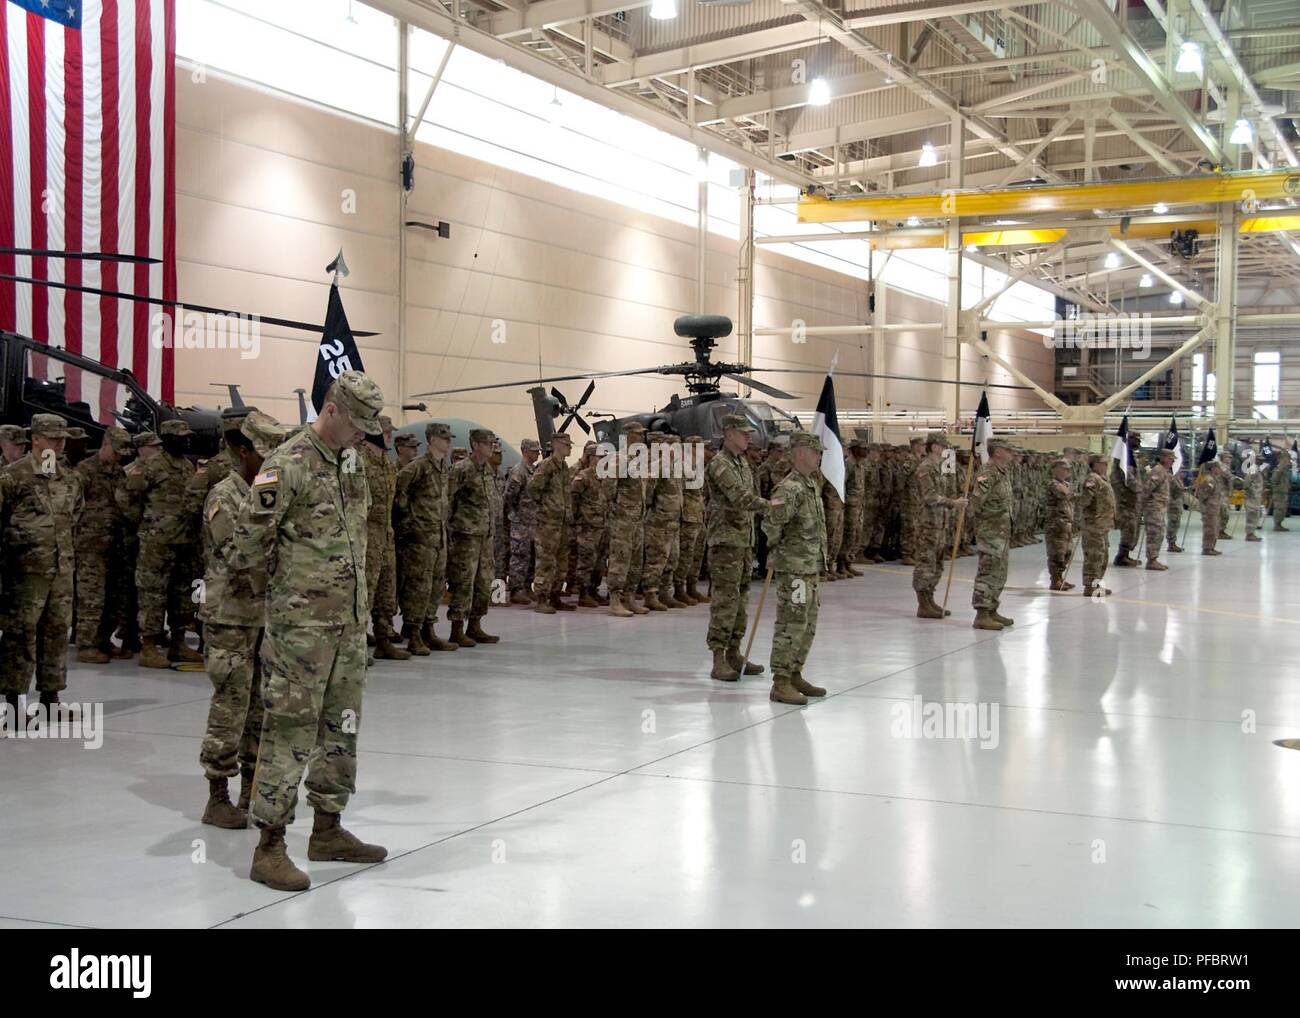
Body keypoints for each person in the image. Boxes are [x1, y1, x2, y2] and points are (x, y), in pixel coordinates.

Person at [231, 372, 388, 892]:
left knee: (342, 727)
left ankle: (328, 829)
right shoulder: (286, 465)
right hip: (300, 631)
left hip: (348, 625)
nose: (363, 434)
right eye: (358, 423)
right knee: (289, 730)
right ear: (333, 409)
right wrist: (280, 603)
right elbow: (248, 547)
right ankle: (269, 845)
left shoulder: (351, 462)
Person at [199, 411, 287, 829]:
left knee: (261, 708)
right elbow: (237, 554)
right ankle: (217, 794)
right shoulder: (225, 495)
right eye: (263, 455)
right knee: (231, 706)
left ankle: (252, 790)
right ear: (241, 450)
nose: (269, 464)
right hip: (231, 617)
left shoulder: (267, 491)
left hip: (265, 616)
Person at [0, 414, 84, 713]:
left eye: (62, 439)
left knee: (57, 631)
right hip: (25, 572)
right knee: (20, 634)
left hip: (61, 570)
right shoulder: (13, 477)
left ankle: (51, 698)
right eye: (53, 438)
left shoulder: (70, 478)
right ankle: (13, 703)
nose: (60, 444)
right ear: (35, 439)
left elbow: (74, 519)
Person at [705, 414, 778, 680]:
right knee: (725, 600)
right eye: (744, 433)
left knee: (741, 599)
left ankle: (734, 652)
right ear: (729, 433)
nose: (749, 437)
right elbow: (738, 497)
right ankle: (718, 658)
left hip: (743, 541)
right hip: (726, 542)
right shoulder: (720, 464)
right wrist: (770, 506)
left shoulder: (743, 464)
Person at [125, 419, 203, 669]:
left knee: (182, 594)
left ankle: (179, 642)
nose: (186, 440)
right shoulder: (151, 466)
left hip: (184, 541)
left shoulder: (187, 467)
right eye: (181, 437)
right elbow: (127, 498)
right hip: (157, 543)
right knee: (152, 593)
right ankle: (148, 645)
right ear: (168, 440)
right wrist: (147, 524)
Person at [762, 431, 829, 705]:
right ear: (801, 453)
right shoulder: (789, 488)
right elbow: (771, 524)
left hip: (809, 566)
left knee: (807, 623)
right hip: (794, 569)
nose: (819, 457)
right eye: (816, 452)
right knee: (792, 624)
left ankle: (794, 673)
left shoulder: (810, 484)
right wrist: (782, 554)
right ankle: (780, 681)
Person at [394, 422, 457, 654]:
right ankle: (412, 632)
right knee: (418, 586)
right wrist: (408, 520)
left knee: (435, 586)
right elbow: (397, 488)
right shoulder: (418, 466)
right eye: (444, 438)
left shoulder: (443, 468)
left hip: (438, 537)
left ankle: (428, 629)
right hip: (419, 539)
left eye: (449, 438)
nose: (449, 442)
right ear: (432, 440)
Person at [73, 427, 131, 662]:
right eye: (116, 451)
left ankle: (103, 640)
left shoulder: (119, 472)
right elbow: (73, 505)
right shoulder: (84, 471)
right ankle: (86, 645)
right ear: (105, 444)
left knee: (113, 596)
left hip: (115, 543)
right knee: (91, 597)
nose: (119, 457)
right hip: (90, 545)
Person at [446, 429, 500, 646]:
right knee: (463, 582)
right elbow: (448, 500)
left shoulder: (488, 469)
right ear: (475, 444)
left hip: (485, 535)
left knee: (484, 582)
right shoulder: (461, 469)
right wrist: (450, 531)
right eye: (488, 443)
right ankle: (457, 628)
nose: (492, 447)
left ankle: (475, 624)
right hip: (466, 536)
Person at [911, 434, 966, 617]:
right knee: (926, 563)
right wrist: (953, 502)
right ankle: (923, 604)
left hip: (940, 523)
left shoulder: (939, 468)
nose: (945, 449)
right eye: (943, 446)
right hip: (928, 523)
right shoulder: (925, 468)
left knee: (937, 563)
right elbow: (929, 497)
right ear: (934, 447)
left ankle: (930, 600)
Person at [526, 432, 576, 613]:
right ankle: (541, 598)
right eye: (567, 444)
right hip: (548, 523)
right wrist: (546, 507)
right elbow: (532, 488)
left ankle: (555, 595)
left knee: (561, 562)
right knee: (546, 561)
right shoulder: (547, 465)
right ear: (556, 445)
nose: (570, 447)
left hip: (562, 523)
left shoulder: (563, 467)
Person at [605, 422, 649, 618]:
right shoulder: (618, 460)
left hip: (638, 519)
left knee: (636, 561)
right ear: (629, 436)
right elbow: (608, 488)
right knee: (619, 559)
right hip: (623, 518)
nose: (641, 438)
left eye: (642, 435)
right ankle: (614, 600)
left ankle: (629, 598)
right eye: (638, 435)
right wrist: (618, 508)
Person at [971, 439, 1014, 631]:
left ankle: (992, 608)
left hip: (1002, 531)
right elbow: (977, 502)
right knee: (988, 571)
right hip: (990, 531)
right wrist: (985, 524)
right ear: (997, 452)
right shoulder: (987, 472)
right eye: (1008, 449)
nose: (1011, 452)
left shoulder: (1001, 472)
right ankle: (981, 614)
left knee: (999, 571)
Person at [569, 440, 609, 606]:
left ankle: (594, 590)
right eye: (599, 457)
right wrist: (578, 520)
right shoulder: (582, 477)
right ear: (592, 458)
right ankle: (583, 593)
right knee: (586, 561)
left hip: (601, 526)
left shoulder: (604, 477)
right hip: (586, 526)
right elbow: (572, 500)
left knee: (599, 562)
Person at [505, 438, 541, 605]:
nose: (537, 453)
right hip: (521, 522)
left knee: (531, 555)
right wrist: (516, 513)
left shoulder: (532, 470)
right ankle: (516, 590)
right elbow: (509, 496)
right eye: (534, 450)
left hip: (532, 522)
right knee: (519, 556)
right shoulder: (518, 471)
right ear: (524, 451)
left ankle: (527, 587)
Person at [1077, 453, 1116, 597]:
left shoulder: (1103, 479)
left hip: (1102, 525)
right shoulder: (1092, 479)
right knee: (1094, 557)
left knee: (1102, 557)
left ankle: (1096, 584)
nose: (1106, 466)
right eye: (1103, 463)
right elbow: (1085, 501)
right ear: (1095, 464)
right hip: (1093, 525)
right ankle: (1090, 587)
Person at [1111, 432, 1142, 566]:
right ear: (1129, 440)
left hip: (1131, 500)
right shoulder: (1124, 456)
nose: (1139, 442)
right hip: (1125, 500)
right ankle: (1122, 557)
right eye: (1136, 439)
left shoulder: (1129, 455)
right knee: (1128, 529)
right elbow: (1127, 478)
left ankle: (1126, 555)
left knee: (1132, 529)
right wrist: (1140, 489)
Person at [1044, 457, 1075, 591]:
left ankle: (1060, 578)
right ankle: (1055, 580)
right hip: (1056, 524)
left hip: (1066, 523)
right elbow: (1066, 495)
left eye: (1068, 469)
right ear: (1056, 470)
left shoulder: (1066, 484)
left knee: (1066, 552)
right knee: (1057, 553)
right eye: (1065, 469)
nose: (1068, 471)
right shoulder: (1053, 484)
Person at [1141, 448, 1173, 571]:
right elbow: (1147, 489)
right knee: (1154, 534)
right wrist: (1145, 505)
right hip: (1154, 508)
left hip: (1159, 508)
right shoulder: (1158, 471)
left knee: (1159, 534)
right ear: (1164, 458)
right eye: (1170, 459)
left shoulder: (1163, 471)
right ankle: (1151, 560)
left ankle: (1153, 558)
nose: (1172, 462)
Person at [1194, 455, 1227, 556]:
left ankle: (1211, 547)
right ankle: (1207, 548)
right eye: (1218, 468)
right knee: (1209, 529)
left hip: (1214, 509)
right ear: (1213, 468)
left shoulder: (1215, 479)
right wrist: (1206, 506)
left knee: (1214, 528)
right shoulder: (1209, 480)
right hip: (1209, 509)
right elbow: (1202, 494)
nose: (1220, 470)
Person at [1271, 447, 1291, 531]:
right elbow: (1274, 480)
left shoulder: (1285, 469)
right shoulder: (1279, 469)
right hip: (1279, 492)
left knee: (1283, 509)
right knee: (1279, 508)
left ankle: (1279, 524)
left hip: (1283, 492)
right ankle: (1277, 525)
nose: (1288, 461)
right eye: (1287, 459)